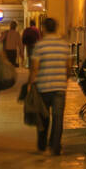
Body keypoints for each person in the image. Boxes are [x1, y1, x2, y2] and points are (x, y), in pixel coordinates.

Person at [29, 16, 71, 155]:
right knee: (58, 118)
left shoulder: (39, 46)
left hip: (43, 86)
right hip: (59, 87)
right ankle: (55, 146)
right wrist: (65, 80)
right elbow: (68, 66)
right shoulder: (64, 45)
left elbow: (35, 67)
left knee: (43, 116)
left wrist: (31, 83)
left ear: (44, 28)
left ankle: (41, 144)